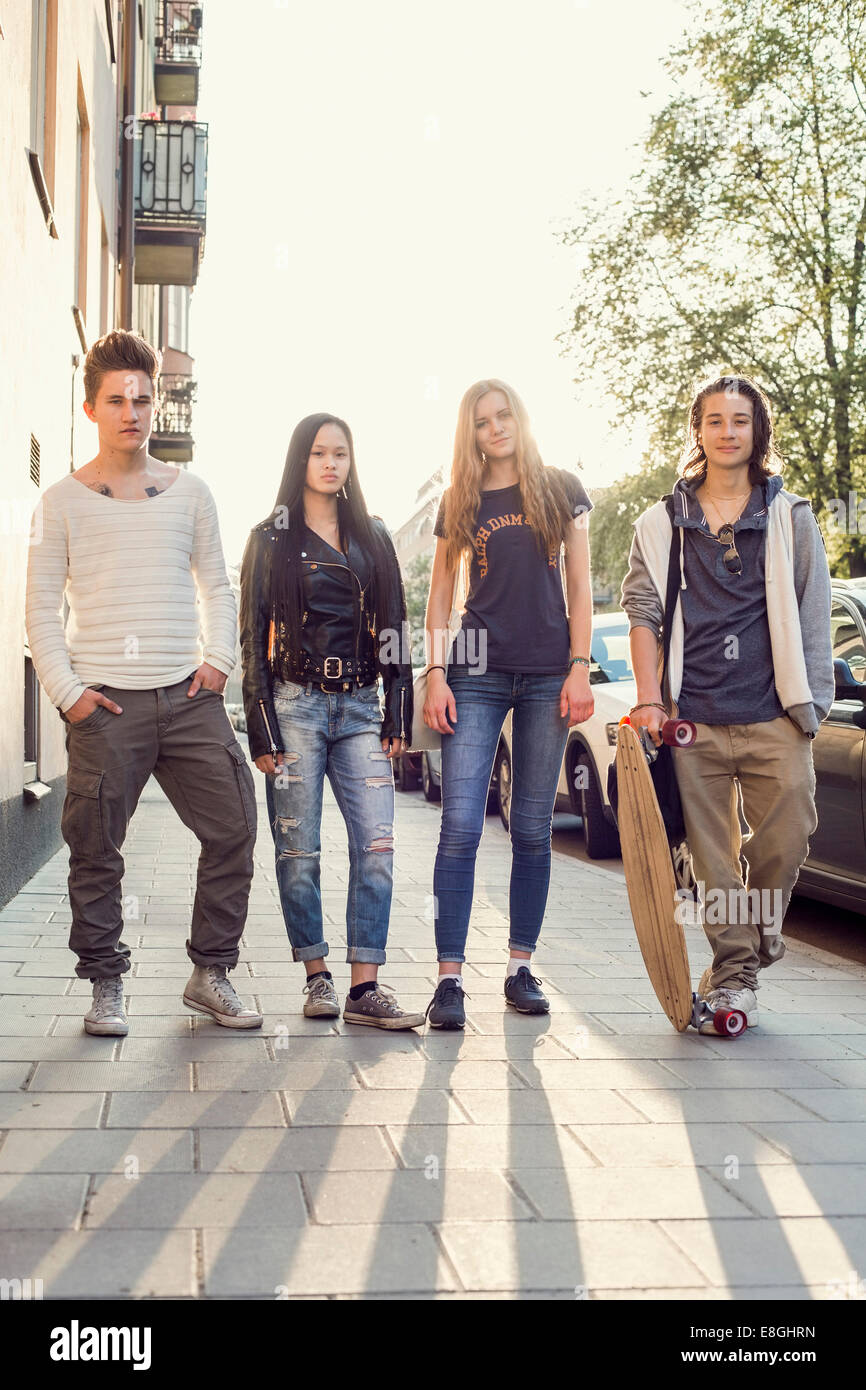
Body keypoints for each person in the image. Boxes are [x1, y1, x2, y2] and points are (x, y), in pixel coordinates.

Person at [24, 330, 261, 1036]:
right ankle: (106, 985)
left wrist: (217, 662)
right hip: (106, 706)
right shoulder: (61, 502)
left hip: (187, 699)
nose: (133, 410)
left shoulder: (191, 495)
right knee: (96, 848)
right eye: (117, 399)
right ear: (93, 407)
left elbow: (218, 588)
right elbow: (39, 609)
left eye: (143, 397)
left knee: (235, 829)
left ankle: (211, 971)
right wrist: (69, 695)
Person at [621, 373, 834, 1031]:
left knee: (789, 835)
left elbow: (814, 609)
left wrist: (814, 703)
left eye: (739, 420)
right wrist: (651, 702)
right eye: (714, 421)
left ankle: (755, 942)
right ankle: (737, 977)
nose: (727, 432)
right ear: (699, 431)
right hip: (696, 722)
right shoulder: (661, 522)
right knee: (712, 866)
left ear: (756, 430)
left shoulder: (789, 515)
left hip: (775, 713)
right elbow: (643, 610)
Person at [239, 413, 421, 1028]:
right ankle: (317, 977)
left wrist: (400, 706)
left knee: (376, 845)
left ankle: (365, 987)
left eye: (340, 453)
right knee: (299, 850)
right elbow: (251, 641)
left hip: (361, 707)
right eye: (318, 452)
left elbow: (395, 625)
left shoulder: (372, 534)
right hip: (293, 707)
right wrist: (260, 727)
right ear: (300, 460)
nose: (330, 463)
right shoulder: (269, 539)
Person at [422, 379, 594, 1029]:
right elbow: (441, 594)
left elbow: (580, 584)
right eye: (481, 421)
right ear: (470, 433)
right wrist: (434, 672)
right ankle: (448, 979)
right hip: (474, 671)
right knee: (461, 827)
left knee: (530, 828)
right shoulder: (460, 499)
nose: (495, 428)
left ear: (519, 418)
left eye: (503, 416)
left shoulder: (561, 489)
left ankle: (521, 967)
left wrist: (579, 667)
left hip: (550, 674)